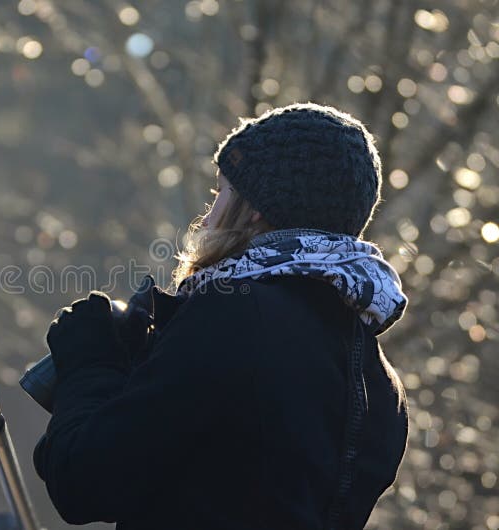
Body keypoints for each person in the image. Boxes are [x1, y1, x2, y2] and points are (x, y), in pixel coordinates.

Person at [33, 102, 409, 529]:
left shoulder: (234, 317)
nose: (208, 216)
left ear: (254, 208)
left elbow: (85, 482)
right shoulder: (382, 386)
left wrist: (91, 361)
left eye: (221, 194)